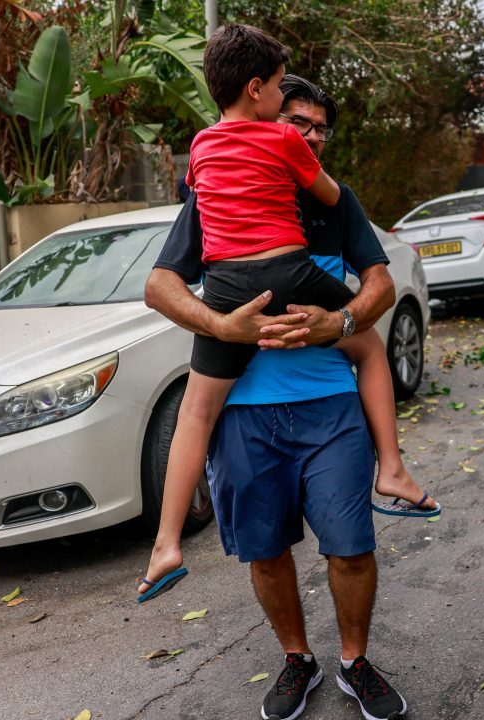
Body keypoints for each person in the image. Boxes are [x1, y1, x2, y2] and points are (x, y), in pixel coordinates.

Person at [143, 65, 417, 719]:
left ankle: (355, 661)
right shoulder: (214, 196)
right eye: (301, 124)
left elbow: (378, 285)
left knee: (351, 546)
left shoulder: (335, 203)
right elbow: (160, 287)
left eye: (322, 130)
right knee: (265, 553)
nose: (313, 137)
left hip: (330, 410)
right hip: (243, 419)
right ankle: (297, 658)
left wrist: (341, 320)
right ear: (268, 117)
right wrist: (221, 324)